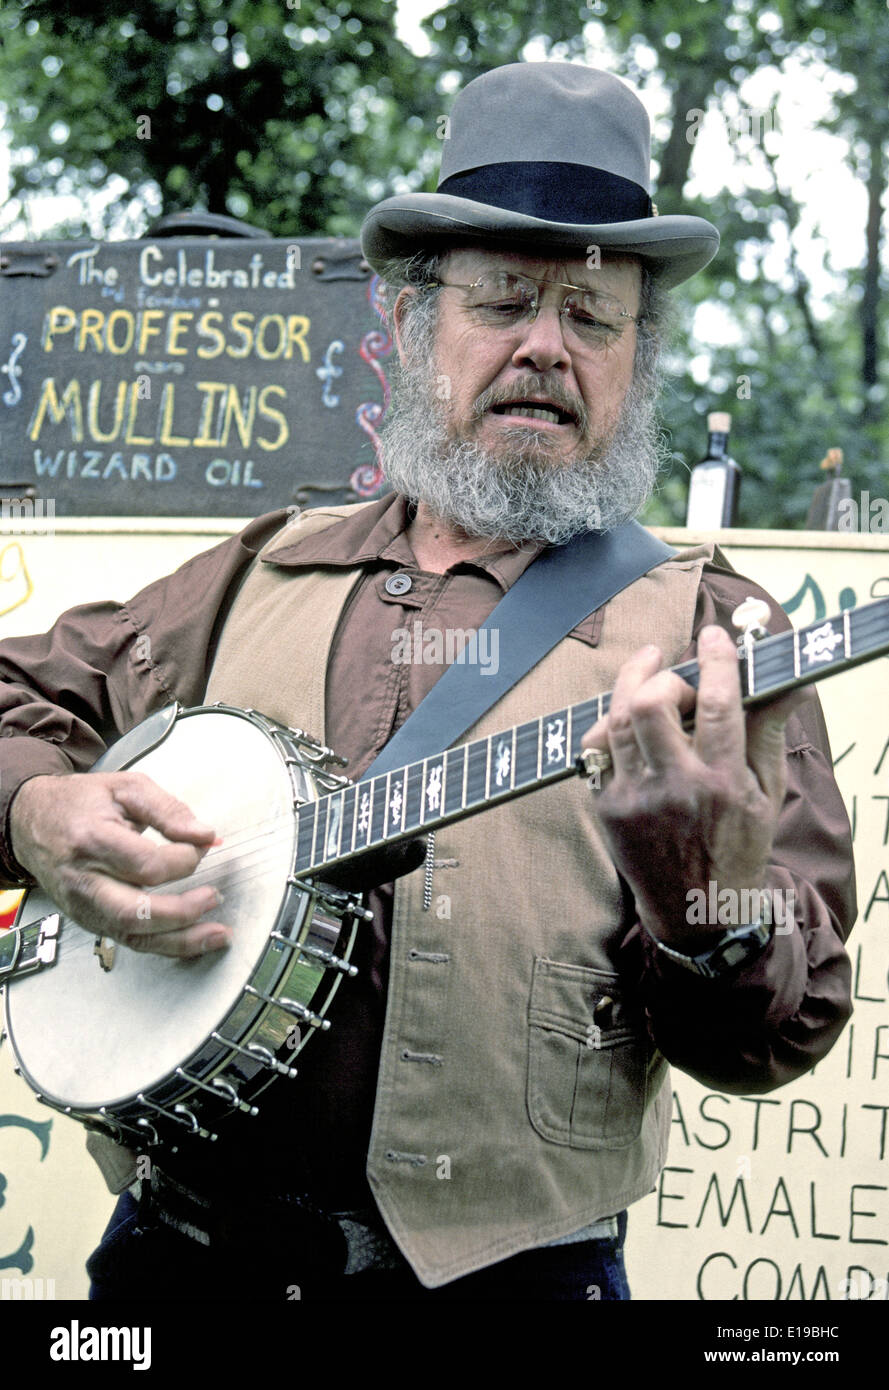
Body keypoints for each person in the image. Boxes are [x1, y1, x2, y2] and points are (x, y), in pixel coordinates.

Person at [0, 63, 855, 1302]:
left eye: (592, 318)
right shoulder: (252, 574)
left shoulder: (718, 639)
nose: (544, 348)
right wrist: (37, 811)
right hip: (174, 1265)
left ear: (636, 362)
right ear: (408, 328)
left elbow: (780, 1029)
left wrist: (708, 913)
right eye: (503, 300)